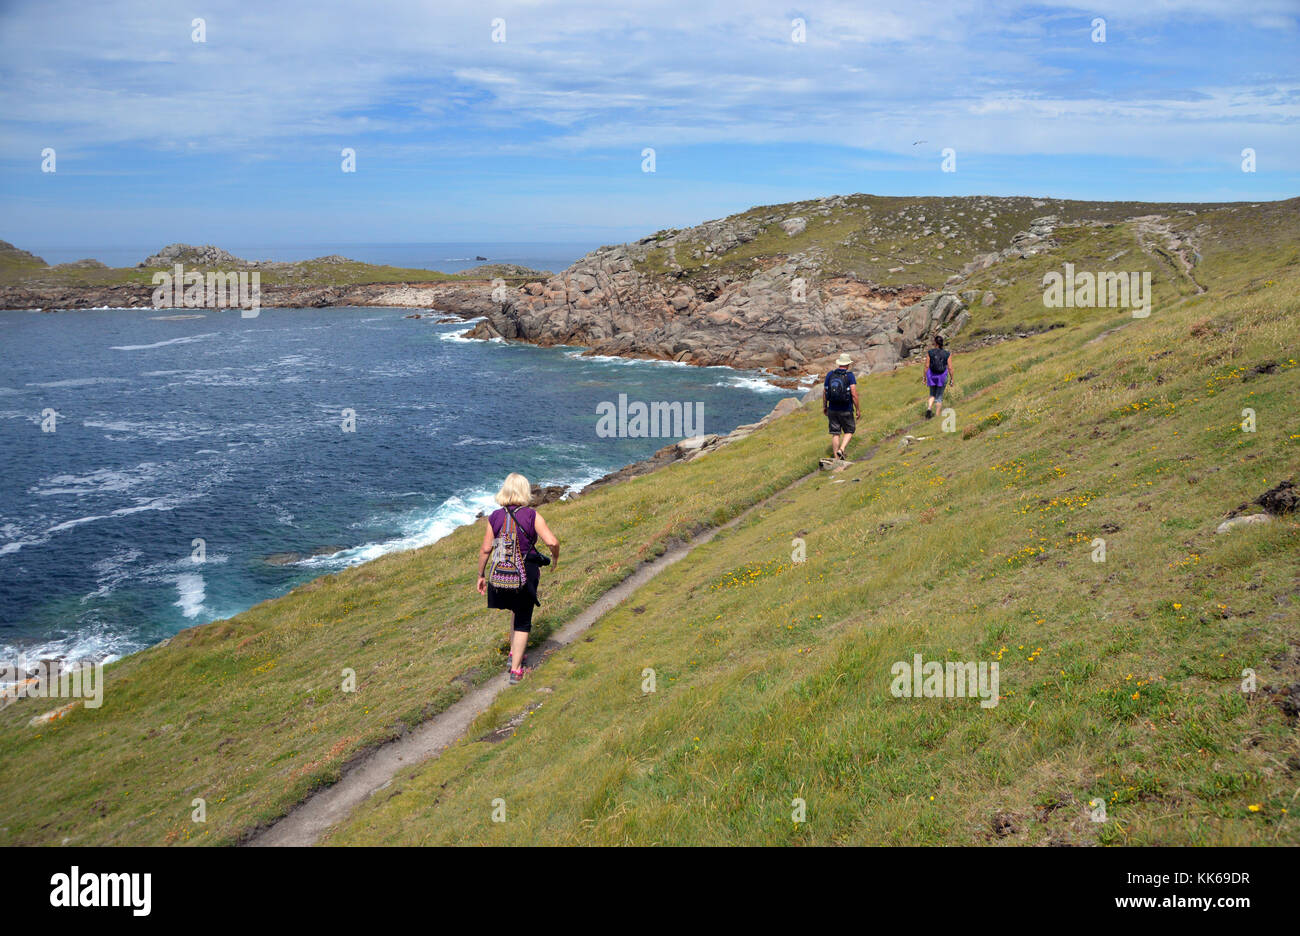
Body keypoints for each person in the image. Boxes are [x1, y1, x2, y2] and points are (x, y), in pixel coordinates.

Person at [477, 473, 560, 684]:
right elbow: (552, 541)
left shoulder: (495, 516)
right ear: (525, 491)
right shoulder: (531, 515)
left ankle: (514, 653)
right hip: (525, 574)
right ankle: (516, 671)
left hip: (500, 575)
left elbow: (486, 549)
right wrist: (555, 557)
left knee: (515, 612)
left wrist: (480, 576)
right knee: (523, 619)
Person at [823, 353, 861, 460]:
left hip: (832, 409)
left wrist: (825, 406)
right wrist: (857, 409)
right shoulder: (849, 376)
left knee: (835, 433)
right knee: (849, 430)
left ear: (839, 363)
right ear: (848, 365)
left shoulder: (830, 374)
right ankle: (842, 449)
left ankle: (836, 458)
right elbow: (853, 394)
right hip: (846, 409)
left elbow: (825, 391)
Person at [924, 335, 953, 419]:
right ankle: (936, 415)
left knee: (932, 394)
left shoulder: (930, 352)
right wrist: (952, 379)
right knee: (939, 396)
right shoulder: (947, 354)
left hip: (932, 376)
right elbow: (950, 367)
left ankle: (929, 408)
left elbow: (926, 366)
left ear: (935, 342)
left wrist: (924, 377)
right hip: (942, 377)